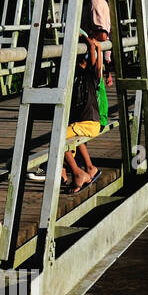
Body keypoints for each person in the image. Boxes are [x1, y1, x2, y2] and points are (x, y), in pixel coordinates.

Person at [62, 32, 104, 193]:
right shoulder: (90, 76)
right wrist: (96, 49)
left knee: (58, 139)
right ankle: (89, 168)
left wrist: (84, 38)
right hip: (88, 123)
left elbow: (92, 49)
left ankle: (78, 172)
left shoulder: (87, 75)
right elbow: (94, 53)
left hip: (89, 124)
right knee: (72, 138)